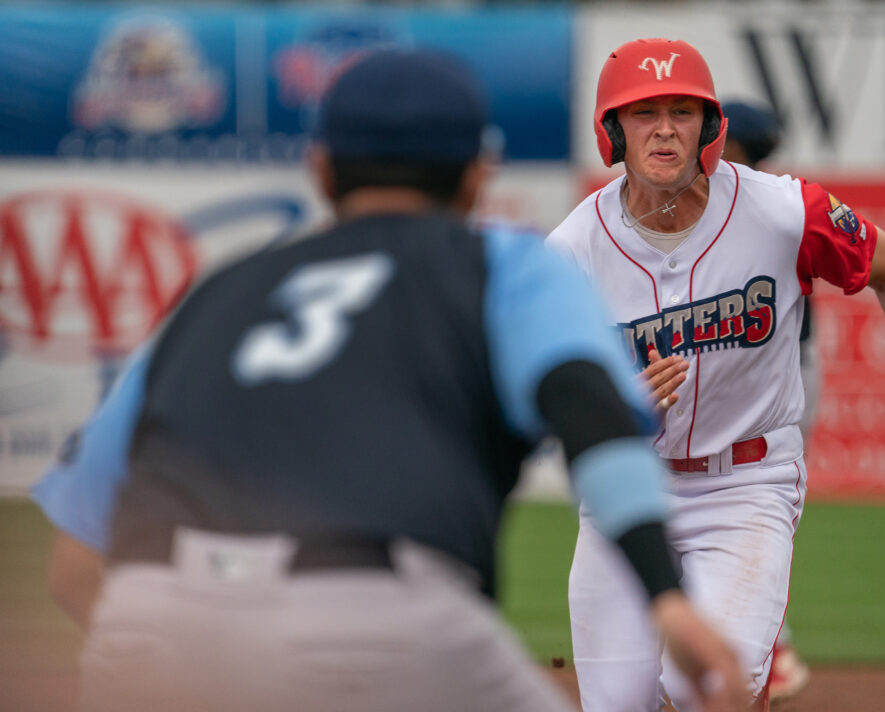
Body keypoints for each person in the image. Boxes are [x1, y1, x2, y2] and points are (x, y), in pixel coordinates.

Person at [32, 47, 751, 712]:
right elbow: (592, 415)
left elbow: (73, 560)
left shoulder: (215, 297)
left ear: (320, 170)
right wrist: (668, 598)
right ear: (478, 175)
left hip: (150, 629)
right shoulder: (504, 263)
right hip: (372, 611)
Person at [547, 38, 885, 712]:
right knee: (619, 704)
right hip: (624, 494)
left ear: (711, 127)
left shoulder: (781, 210)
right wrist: (608, 404)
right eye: (642, 111)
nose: (663, 129)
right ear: (611, 129)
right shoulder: (572, 248)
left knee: (707, 686)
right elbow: (536, 397)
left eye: (682, 111)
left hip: (746, 484)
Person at [720, 99, 812, 702]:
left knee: (759, 507)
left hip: (783, 376)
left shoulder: (765, 201)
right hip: (763, 373)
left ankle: (771, 651)